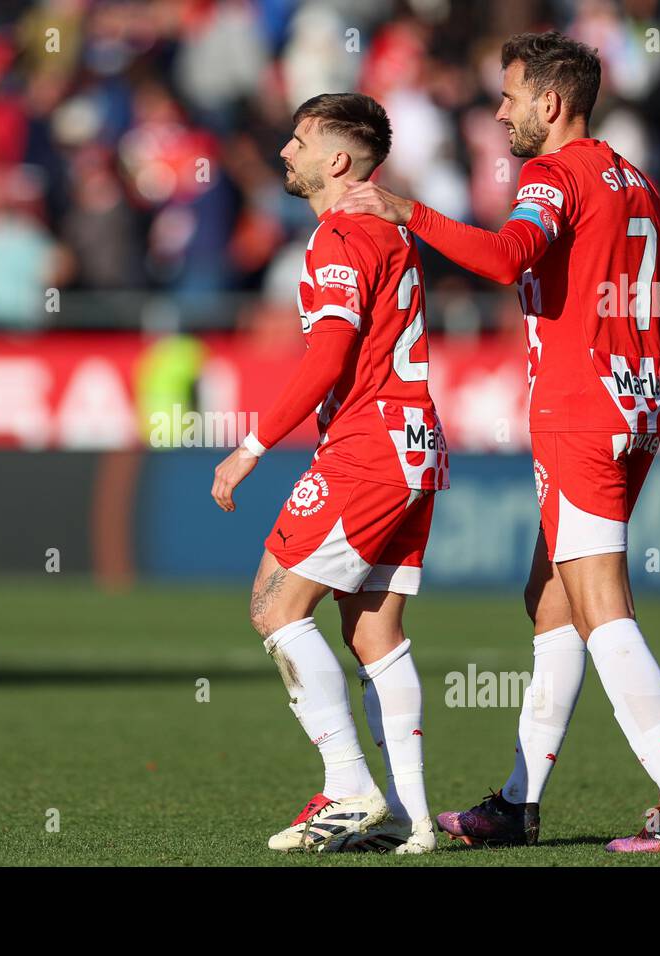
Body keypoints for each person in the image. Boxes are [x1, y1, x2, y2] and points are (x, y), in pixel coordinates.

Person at [332, 31, 660, 853]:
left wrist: (406, 210)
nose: (499, 111)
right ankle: (517, 802)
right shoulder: (632, 177)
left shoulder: (553, 175)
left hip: (580, 415)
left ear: (551, 102)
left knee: (603, 604)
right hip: (635, 411)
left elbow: (509, 258)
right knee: (552, 602)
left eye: (509, 97)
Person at [211, 92, 450, 854]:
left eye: (299, 139)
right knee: (374, 630)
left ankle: (348, 785)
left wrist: (251, 447)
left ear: (337, 161)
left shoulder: (342, 235)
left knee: (275, 608)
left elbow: (328, 355)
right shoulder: (388, 232)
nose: (285, 150)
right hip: (416, 445)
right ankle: (412, 823)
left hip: (369, 446)